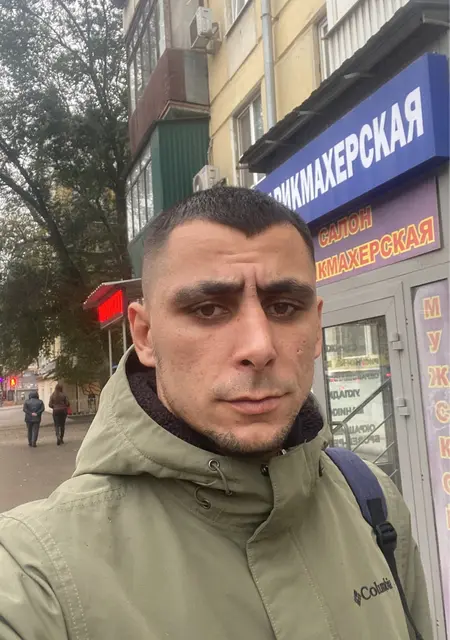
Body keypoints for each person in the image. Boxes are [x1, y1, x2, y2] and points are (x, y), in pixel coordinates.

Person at [0, 188, 432, 639]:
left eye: (284, 307)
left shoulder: (371, 502)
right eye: (208, 309)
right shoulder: (36, 575)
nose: (259, 347)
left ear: (317, 326)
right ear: (145, 335)